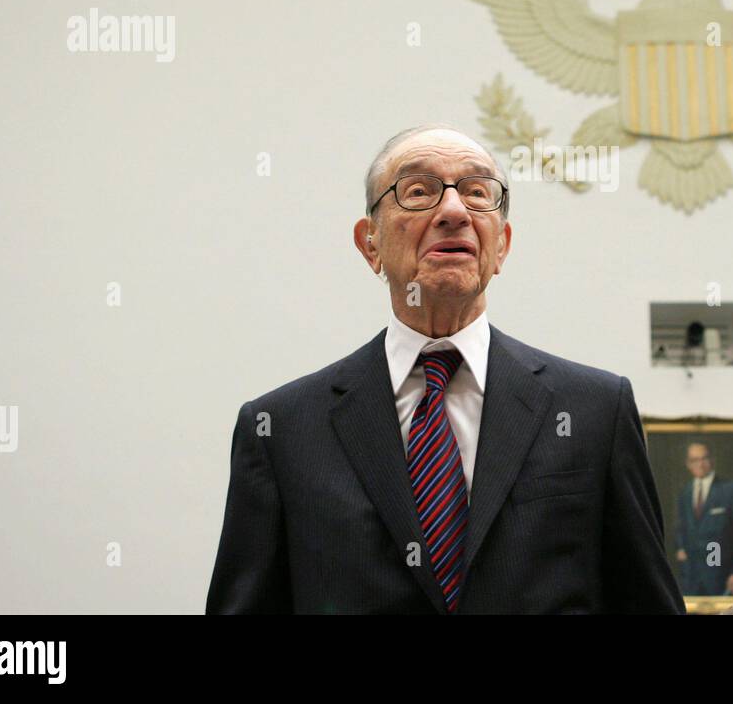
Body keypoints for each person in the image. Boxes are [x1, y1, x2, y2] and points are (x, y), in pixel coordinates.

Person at [206, 123, 684, 614]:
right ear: (369, 243)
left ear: (501, 246)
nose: (454, 211)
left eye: (478, 194)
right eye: (418, 192)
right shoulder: (280, 430)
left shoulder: (595, 412)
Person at [675, 442, 733, 596]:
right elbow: (681, 527)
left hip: (722, 576)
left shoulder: (731, 490)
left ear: (712, 460)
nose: (700, 464)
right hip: (690, 578)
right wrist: (681, 548)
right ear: (688, 464)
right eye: (694, 460)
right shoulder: (685, 492)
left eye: (704, 458)